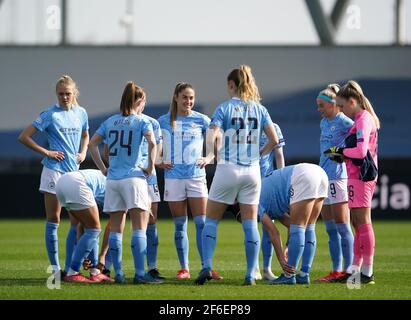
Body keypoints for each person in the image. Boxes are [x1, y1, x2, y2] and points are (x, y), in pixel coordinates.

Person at [194, 65, 279, 286]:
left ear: (232, 85)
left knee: (211, 220)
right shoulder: (260, 109)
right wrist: (260, 154)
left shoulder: (224, 108)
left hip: (228, 168)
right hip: (252, 172)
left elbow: (212, 132)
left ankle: (206, 267)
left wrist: (211, 154)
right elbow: (274, 140)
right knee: (250, 223)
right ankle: (251, 274)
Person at [88, 81, 160, 284]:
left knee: (116, 228)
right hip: (133, 178)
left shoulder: (110, 121)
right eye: (143, 101)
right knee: (139, 228)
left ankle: (118, 273)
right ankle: (139, 274)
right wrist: (149, 166)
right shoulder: (141, 121)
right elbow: (153, 143)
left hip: (113, 181)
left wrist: (103, 169)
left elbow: (93, 145)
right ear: (139, 101)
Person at [18, 75, 89, 277]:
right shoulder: (49, 114)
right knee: (54, 218)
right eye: (61, 94)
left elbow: (85, 135)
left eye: (67, 93)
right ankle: (55, 269)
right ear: (56, 95)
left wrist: (83, 152)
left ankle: (72, 268)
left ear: (74, 93)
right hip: (53, 171)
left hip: (73, 172)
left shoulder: (81, 113)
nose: (64, 97)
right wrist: (47, 152)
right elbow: (24, 136)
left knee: (78, 221)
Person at [158, 82, 222, 281]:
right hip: (173, 178)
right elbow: (153, 147)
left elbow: (216, 139)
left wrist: (210, 157)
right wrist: (158, 161)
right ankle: (184, 268)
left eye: (191, 97)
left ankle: (207, 267)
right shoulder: (162, 121)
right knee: (180, 225)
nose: (188, 101)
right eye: (185, 97)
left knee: (202, 223)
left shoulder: (202, 120)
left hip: (196, 177)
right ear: (176, 97)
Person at [324, 80, 380, 285]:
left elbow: (361, 151)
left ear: (353, 101)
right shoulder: (360, 118)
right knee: (358, 223)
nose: (341, 110)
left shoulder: (364, 119)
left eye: (342, 105)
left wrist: (340, 152)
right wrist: (341, 155)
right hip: (355, 175)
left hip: (361, 176)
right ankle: (355, 270)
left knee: (362, 222)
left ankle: (367, 272)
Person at [257, 163, 329, 285]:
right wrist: (288, 246)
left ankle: (289, 275)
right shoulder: (268, 201)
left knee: (299, 227)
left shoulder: (252, 203)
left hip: (302, 175)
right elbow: (289, 224)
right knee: (309, 228)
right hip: (320, 173)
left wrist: (281, 260)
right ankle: (304, 274)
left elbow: (273, 232)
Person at [315, 84, 355, 283]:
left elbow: (360, 139)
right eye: (318, 106)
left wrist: (341, 152)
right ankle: (336, 270)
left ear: (333, 104)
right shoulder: (324, 122)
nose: (319, 109)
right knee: (330, 228)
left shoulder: (344, 121)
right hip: (323, 176)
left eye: (322, 105)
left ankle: (351, 272)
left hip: (338, 177)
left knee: (342, 226)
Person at [55, 169, 113, 283]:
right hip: (76, 183)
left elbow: (81, 226)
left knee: (91, 229)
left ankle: (94, 272)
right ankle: (72, 272)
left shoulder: (115, 182)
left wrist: (84, 256)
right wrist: (102, 256)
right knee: (94, 230)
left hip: (62, 183)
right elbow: (112, 228)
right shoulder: (124, 193)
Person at [254, 123, 286, 281]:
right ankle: (253, 268)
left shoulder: (273, 127)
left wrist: (280, 180)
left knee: (268, 227)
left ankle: (266, 269)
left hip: (267, 182)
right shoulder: (243, 125)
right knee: (251, 225)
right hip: (248, 181)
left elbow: (279, 155)